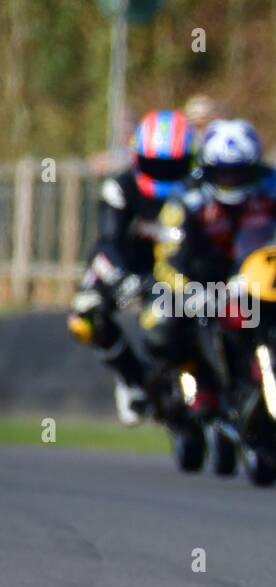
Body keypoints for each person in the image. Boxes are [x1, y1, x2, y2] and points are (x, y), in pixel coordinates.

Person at [148, 119, 276, 413]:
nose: (231, 180)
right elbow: (167, 258)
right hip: (205, 284)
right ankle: (196, 382)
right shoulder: (185, 198)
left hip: (260, 280)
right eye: (223, 173)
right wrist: (190, 291)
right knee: (159, 324)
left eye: (239, 172)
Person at [68, 110, 195, 424]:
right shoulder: (121, 190)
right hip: (131, 267)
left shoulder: (199, 191)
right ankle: (130, 380)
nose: (164, 172)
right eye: (155, 164)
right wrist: (122, 278)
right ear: (138, 159)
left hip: (184, 270)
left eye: (173, 165)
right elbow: (108, 242)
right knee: (85, 314)